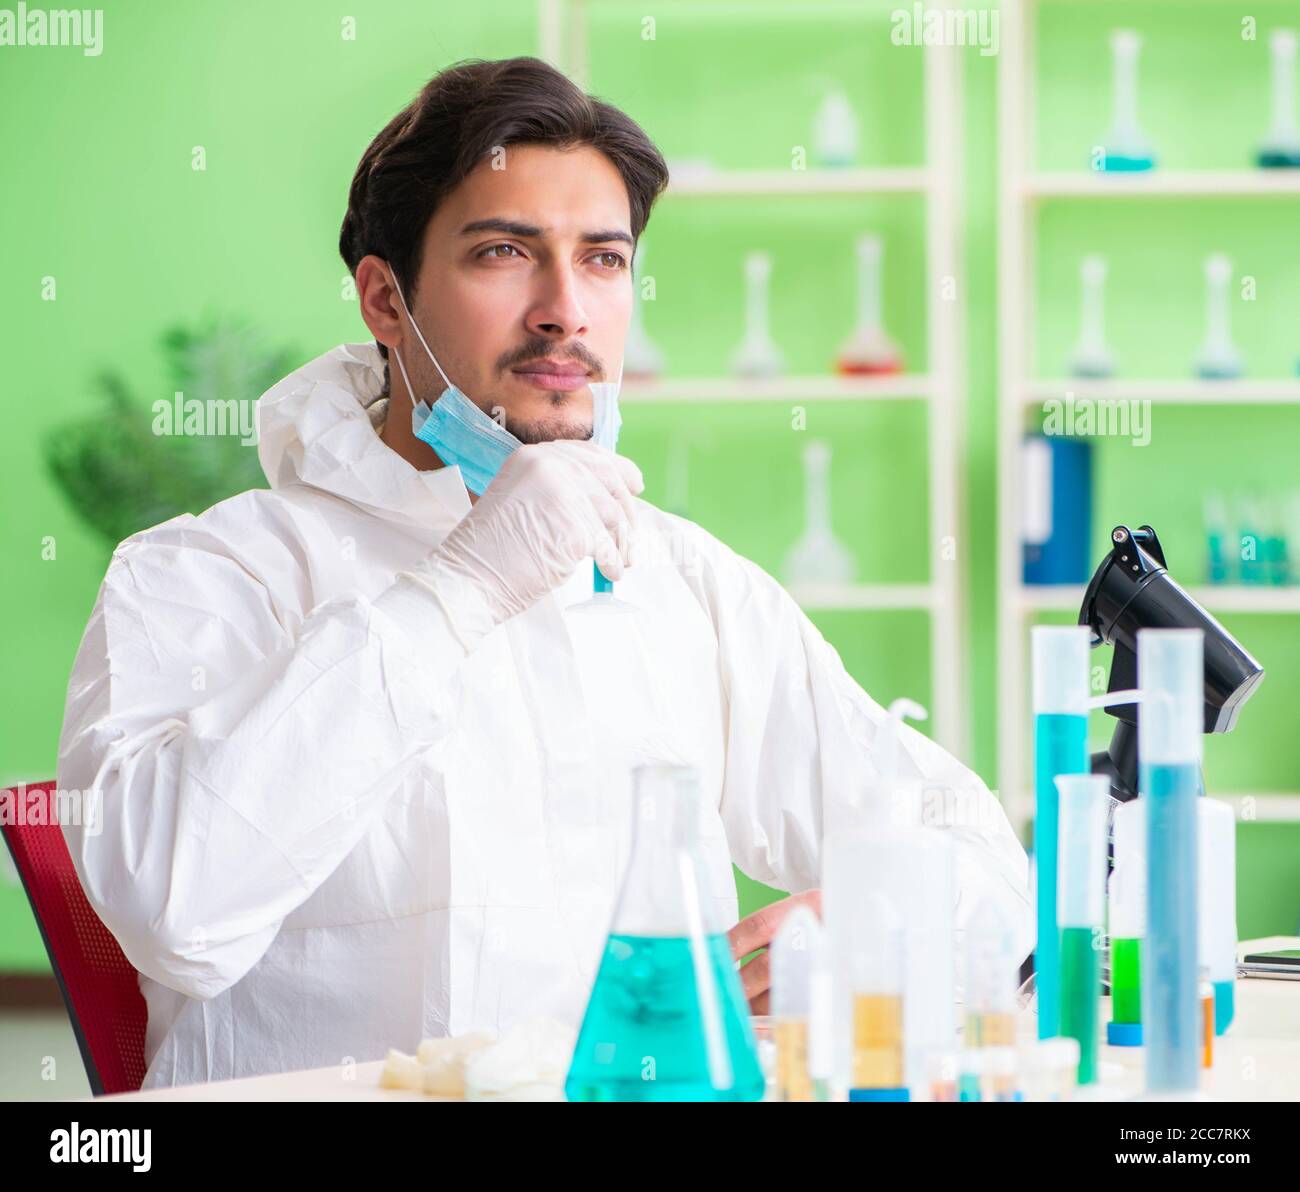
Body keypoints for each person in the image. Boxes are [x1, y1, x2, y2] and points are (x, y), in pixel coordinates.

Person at [57, 56, 1029, 1089]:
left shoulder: (680, 580)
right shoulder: (211, 574)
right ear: (386, 300)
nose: (566, 309)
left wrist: (879, 927)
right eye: (505, 251)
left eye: (603, 260)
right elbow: (172, 908)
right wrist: (459, 591)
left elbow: (966, 847)